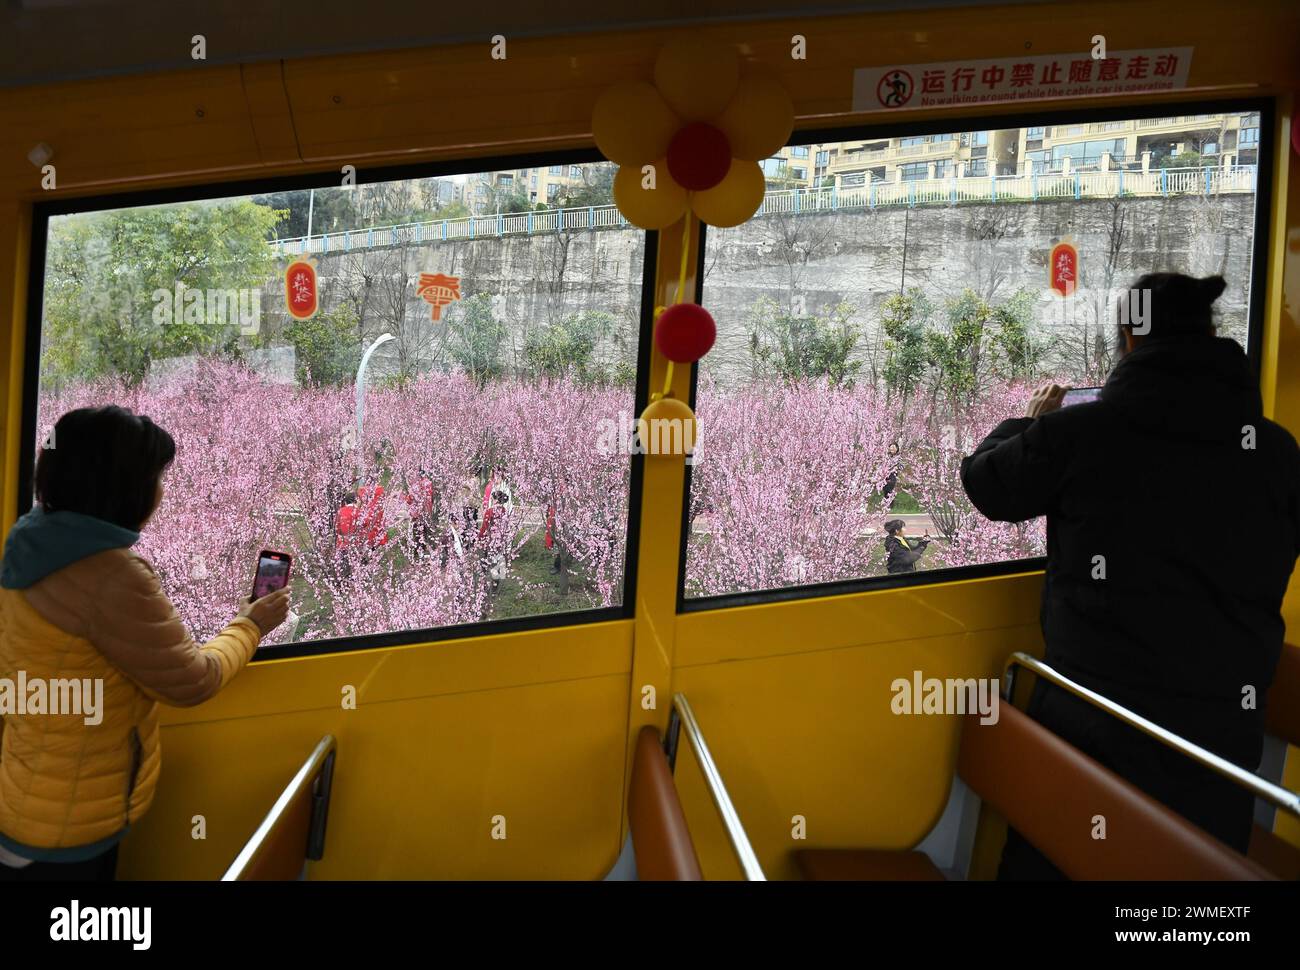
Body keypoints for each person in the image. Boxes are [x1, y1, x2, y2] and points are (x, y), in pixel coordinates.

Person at [960, 273, 1300, 878]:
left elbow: (986, 483)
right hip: (1218, 740)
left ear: (1129, 338)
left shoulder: (1082, 433)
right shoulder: (1275, 452)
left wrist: (1028, 424)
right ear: (1210, 334)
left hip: (1092, 723)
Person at [0, 406, 291, 881]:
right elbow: (193, 681)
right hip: (69, 824)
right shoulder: (111, 576)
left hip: (25, 794)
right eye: (155, 478)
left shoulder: (29, 541)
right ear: (122, 490)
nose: (161, 490)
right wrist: (251, 624)